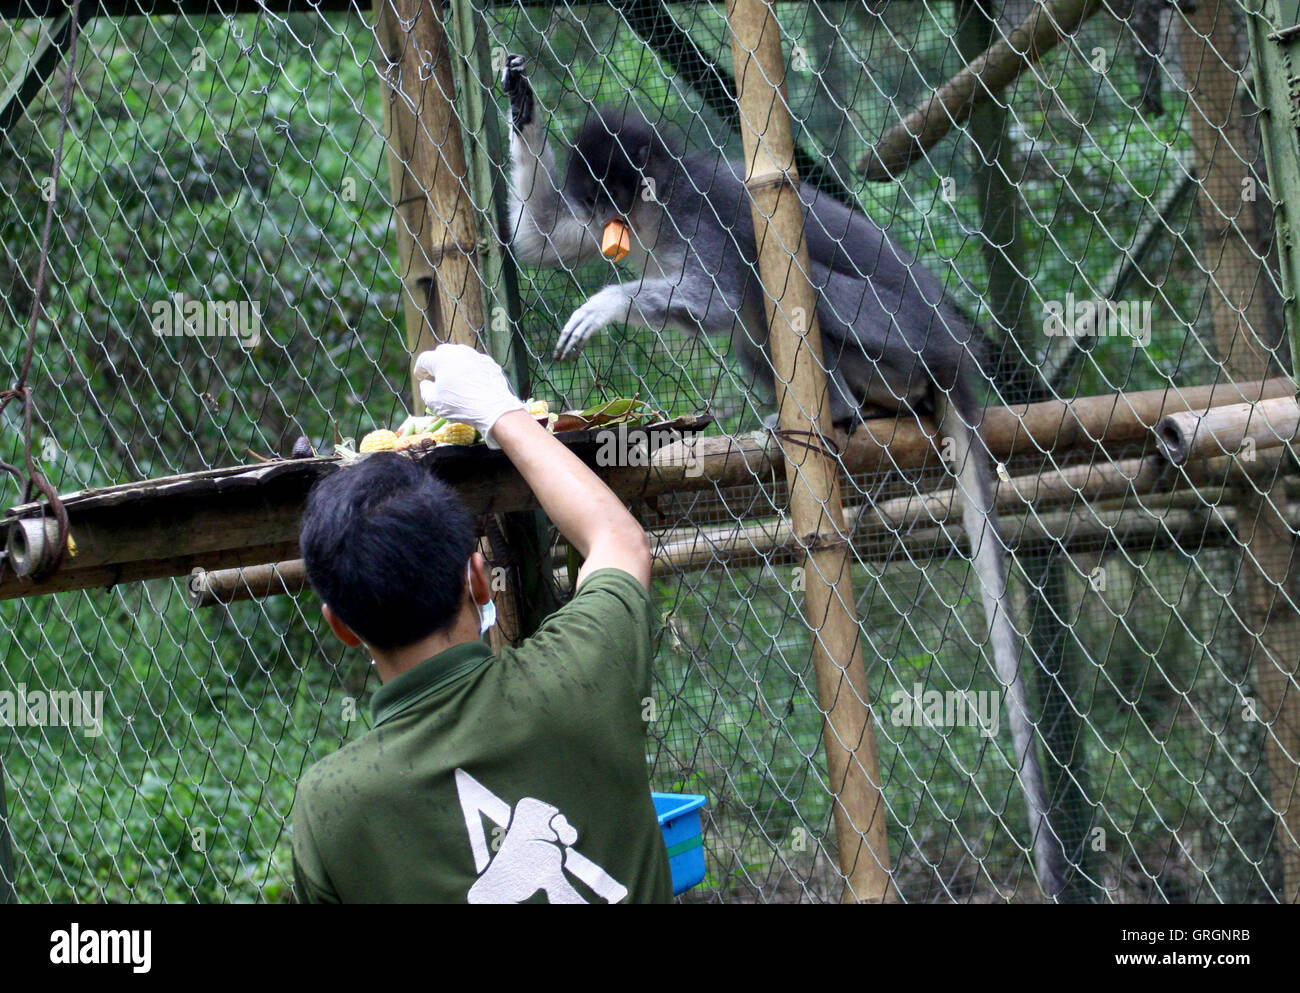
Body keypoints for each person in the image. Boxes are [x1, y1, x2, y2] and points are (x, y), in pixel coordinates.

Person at [290, 343, 672, 903]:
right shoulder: (583, 668)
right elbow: (616, 538)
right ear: (476, 577)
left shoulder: (330, 808)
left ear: (340, 625)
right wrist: (498, 411)